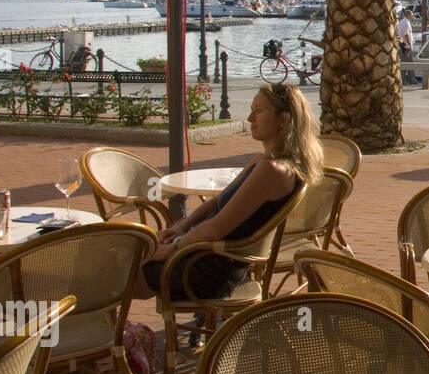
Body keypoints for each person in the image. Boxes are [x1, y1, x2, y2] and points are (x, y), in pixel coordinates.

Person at [138, 83, 323, 303]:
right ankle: (116, 332)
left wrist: (171, 248)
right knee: (113, 260)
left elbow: (216, 228)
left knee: (111, 270)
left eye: (260, 111)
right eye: (252, 109)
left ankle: (116, 334)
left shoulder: (273, 170)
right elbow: (216, 202)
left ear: (284, 119)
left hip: (204, 270)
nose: (250, 118)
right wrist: (180, 227)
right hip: (199, 253)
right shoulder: (264, 161)